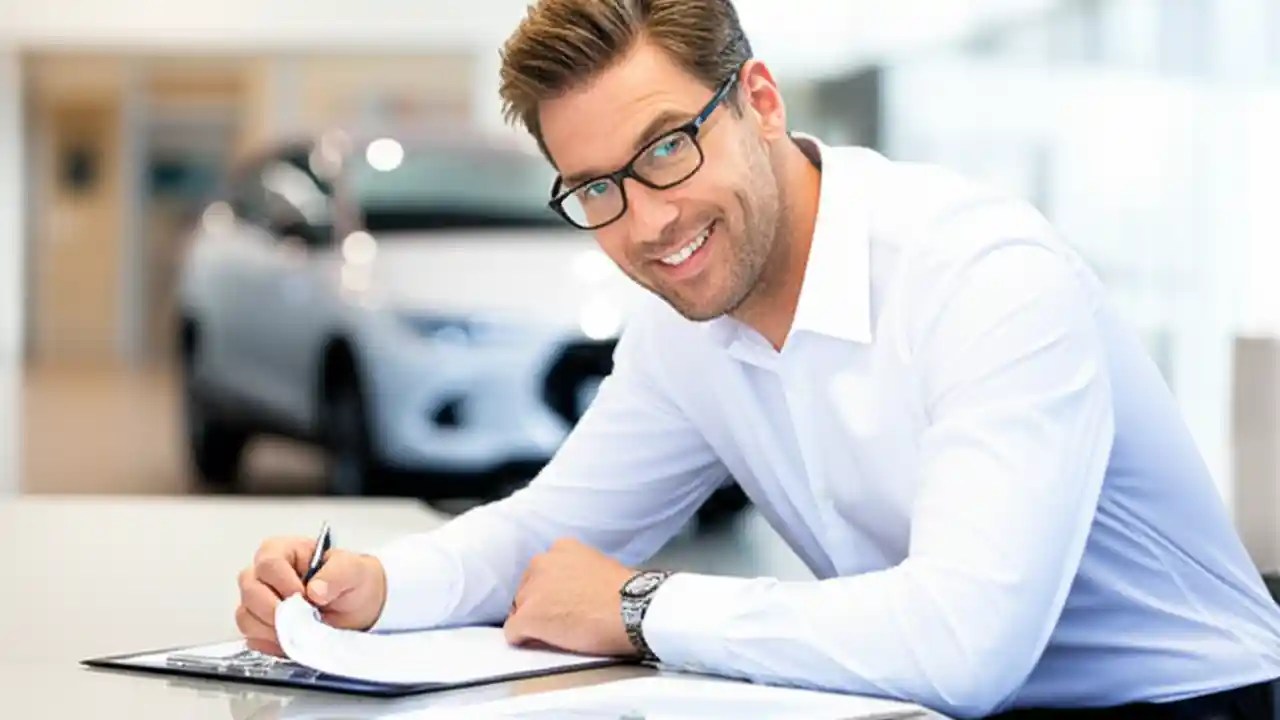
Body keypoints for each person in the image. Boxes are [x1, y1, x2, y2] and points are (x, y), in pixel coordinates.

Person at [236, 1, 1280, 717]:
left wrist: (640, 609)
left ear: (760, 103)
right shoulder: (685, 326)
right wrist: (372, 587)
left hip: (1181, 702)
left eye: (663, 148)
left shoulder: (982, 275)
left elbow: (965, 644)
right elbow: (554, 532)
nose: (645, 221)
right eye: (595, 189)